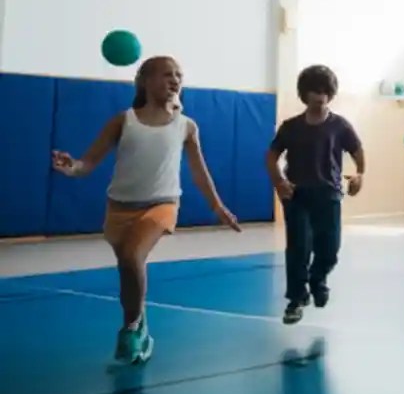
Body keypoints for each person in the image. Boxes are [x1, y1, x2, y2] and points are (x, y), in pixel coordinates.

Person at [52, 56, 241, 363]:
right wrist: (70, 166)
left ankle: (130, 327)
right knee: (128, 270)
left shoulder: (186, 126)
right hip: (119, 209)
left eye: (179, 75)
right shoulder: (122, 121)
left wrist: (217, 205)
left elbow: (198, 171)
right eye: (167, 74)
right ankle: (139, 323)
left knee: (131, 256)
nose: (175, 79)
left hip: (162, 205)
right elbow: (87, 164)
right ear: (145, 81)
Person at [266, 64, 365, 325]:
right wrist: (279, 181)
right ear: (304, 94)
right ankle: (296, 299)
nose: (319, 96)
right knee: (298, 247)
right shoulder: (291, 127)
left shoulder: (340, 126)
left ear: (330, 94)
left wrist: (359, 174)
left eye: (324, 91)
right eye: (314, 91)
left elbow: (357, 151)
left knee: (329, 248)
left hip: (328, 194)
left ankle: (318, 279)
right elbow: (272, 155)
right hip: (297, 195)